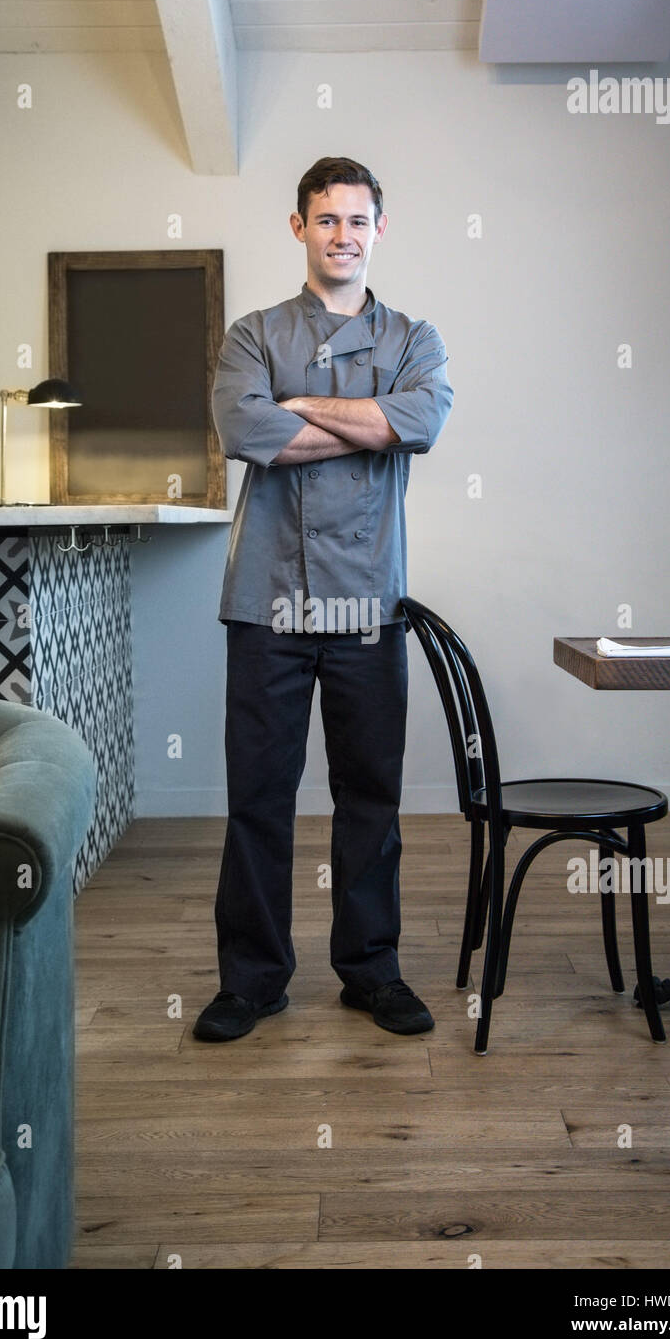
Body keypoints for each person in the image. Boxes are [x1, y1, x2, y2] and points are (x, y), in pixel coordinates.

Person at [193, 156, 454, 1042]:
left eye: (357, 220)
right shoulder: (252, 333)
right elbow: (243, 428)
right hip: (266, 598)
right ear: (297, 227)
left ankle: (370, 971)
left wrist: (298, 410)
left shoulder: (416, 338)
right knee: (259, 797)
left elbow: (418, 422)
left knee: (369, 795)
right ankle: (253, 980)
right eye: (327, 220)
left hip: (366, 602)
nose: (343, 235)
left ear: (380, 228)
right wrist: (362, 420)